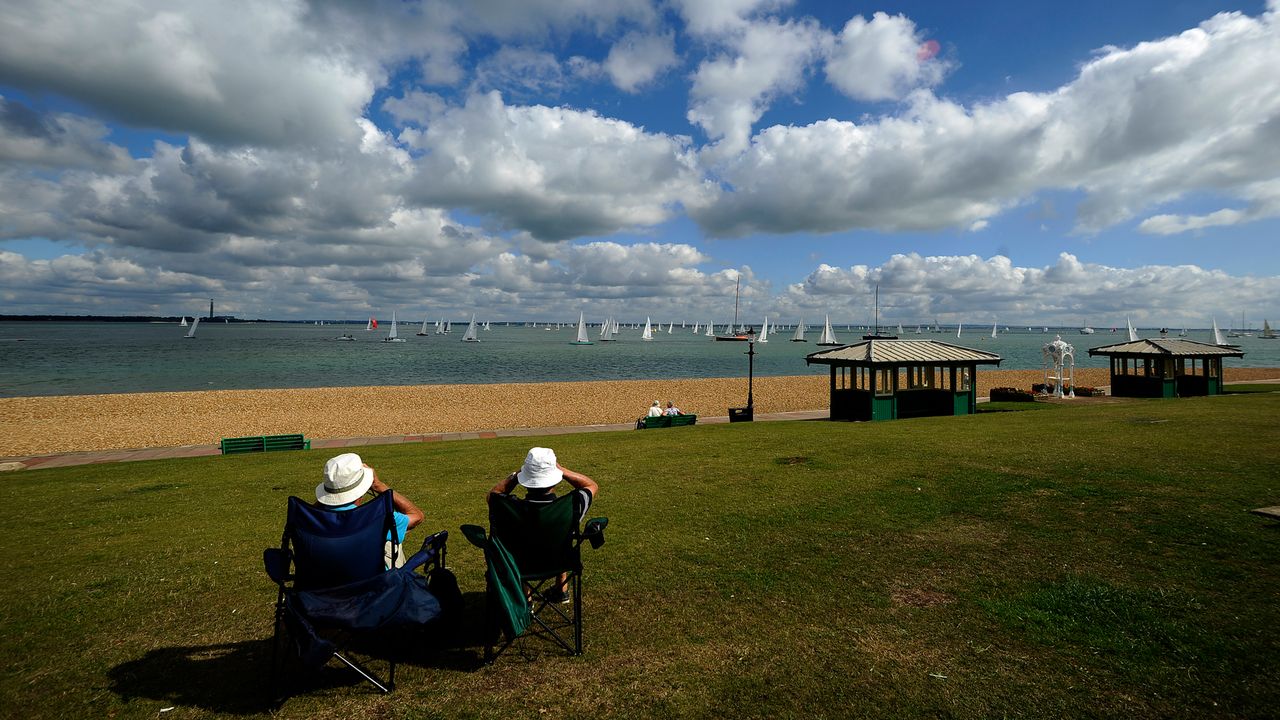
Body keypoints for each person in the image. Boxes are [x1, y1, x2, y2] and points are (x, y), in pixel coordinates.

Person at [487, 447, 599, 603]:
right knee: (560, 536)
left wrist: (517, 475)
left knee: (518, 546)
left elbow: (492, 495)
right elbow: (591, 486)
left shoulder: (510, 509)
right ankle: (561, 591)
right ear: (554, 478)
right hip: (559, 562)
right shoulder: (570, 506)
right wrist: (563, 470)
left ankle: (526, 599)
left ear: (525, 479)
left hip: (521, 565)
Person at [316, 452, 425, 569]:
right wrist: (379, 485)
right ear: (363, 488)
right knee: (390, 543)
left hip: (323, 585)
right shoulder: (378, 518)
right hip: (375, 585)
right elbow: (417, 516)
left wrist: (329, 495)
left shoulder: (308, 519)